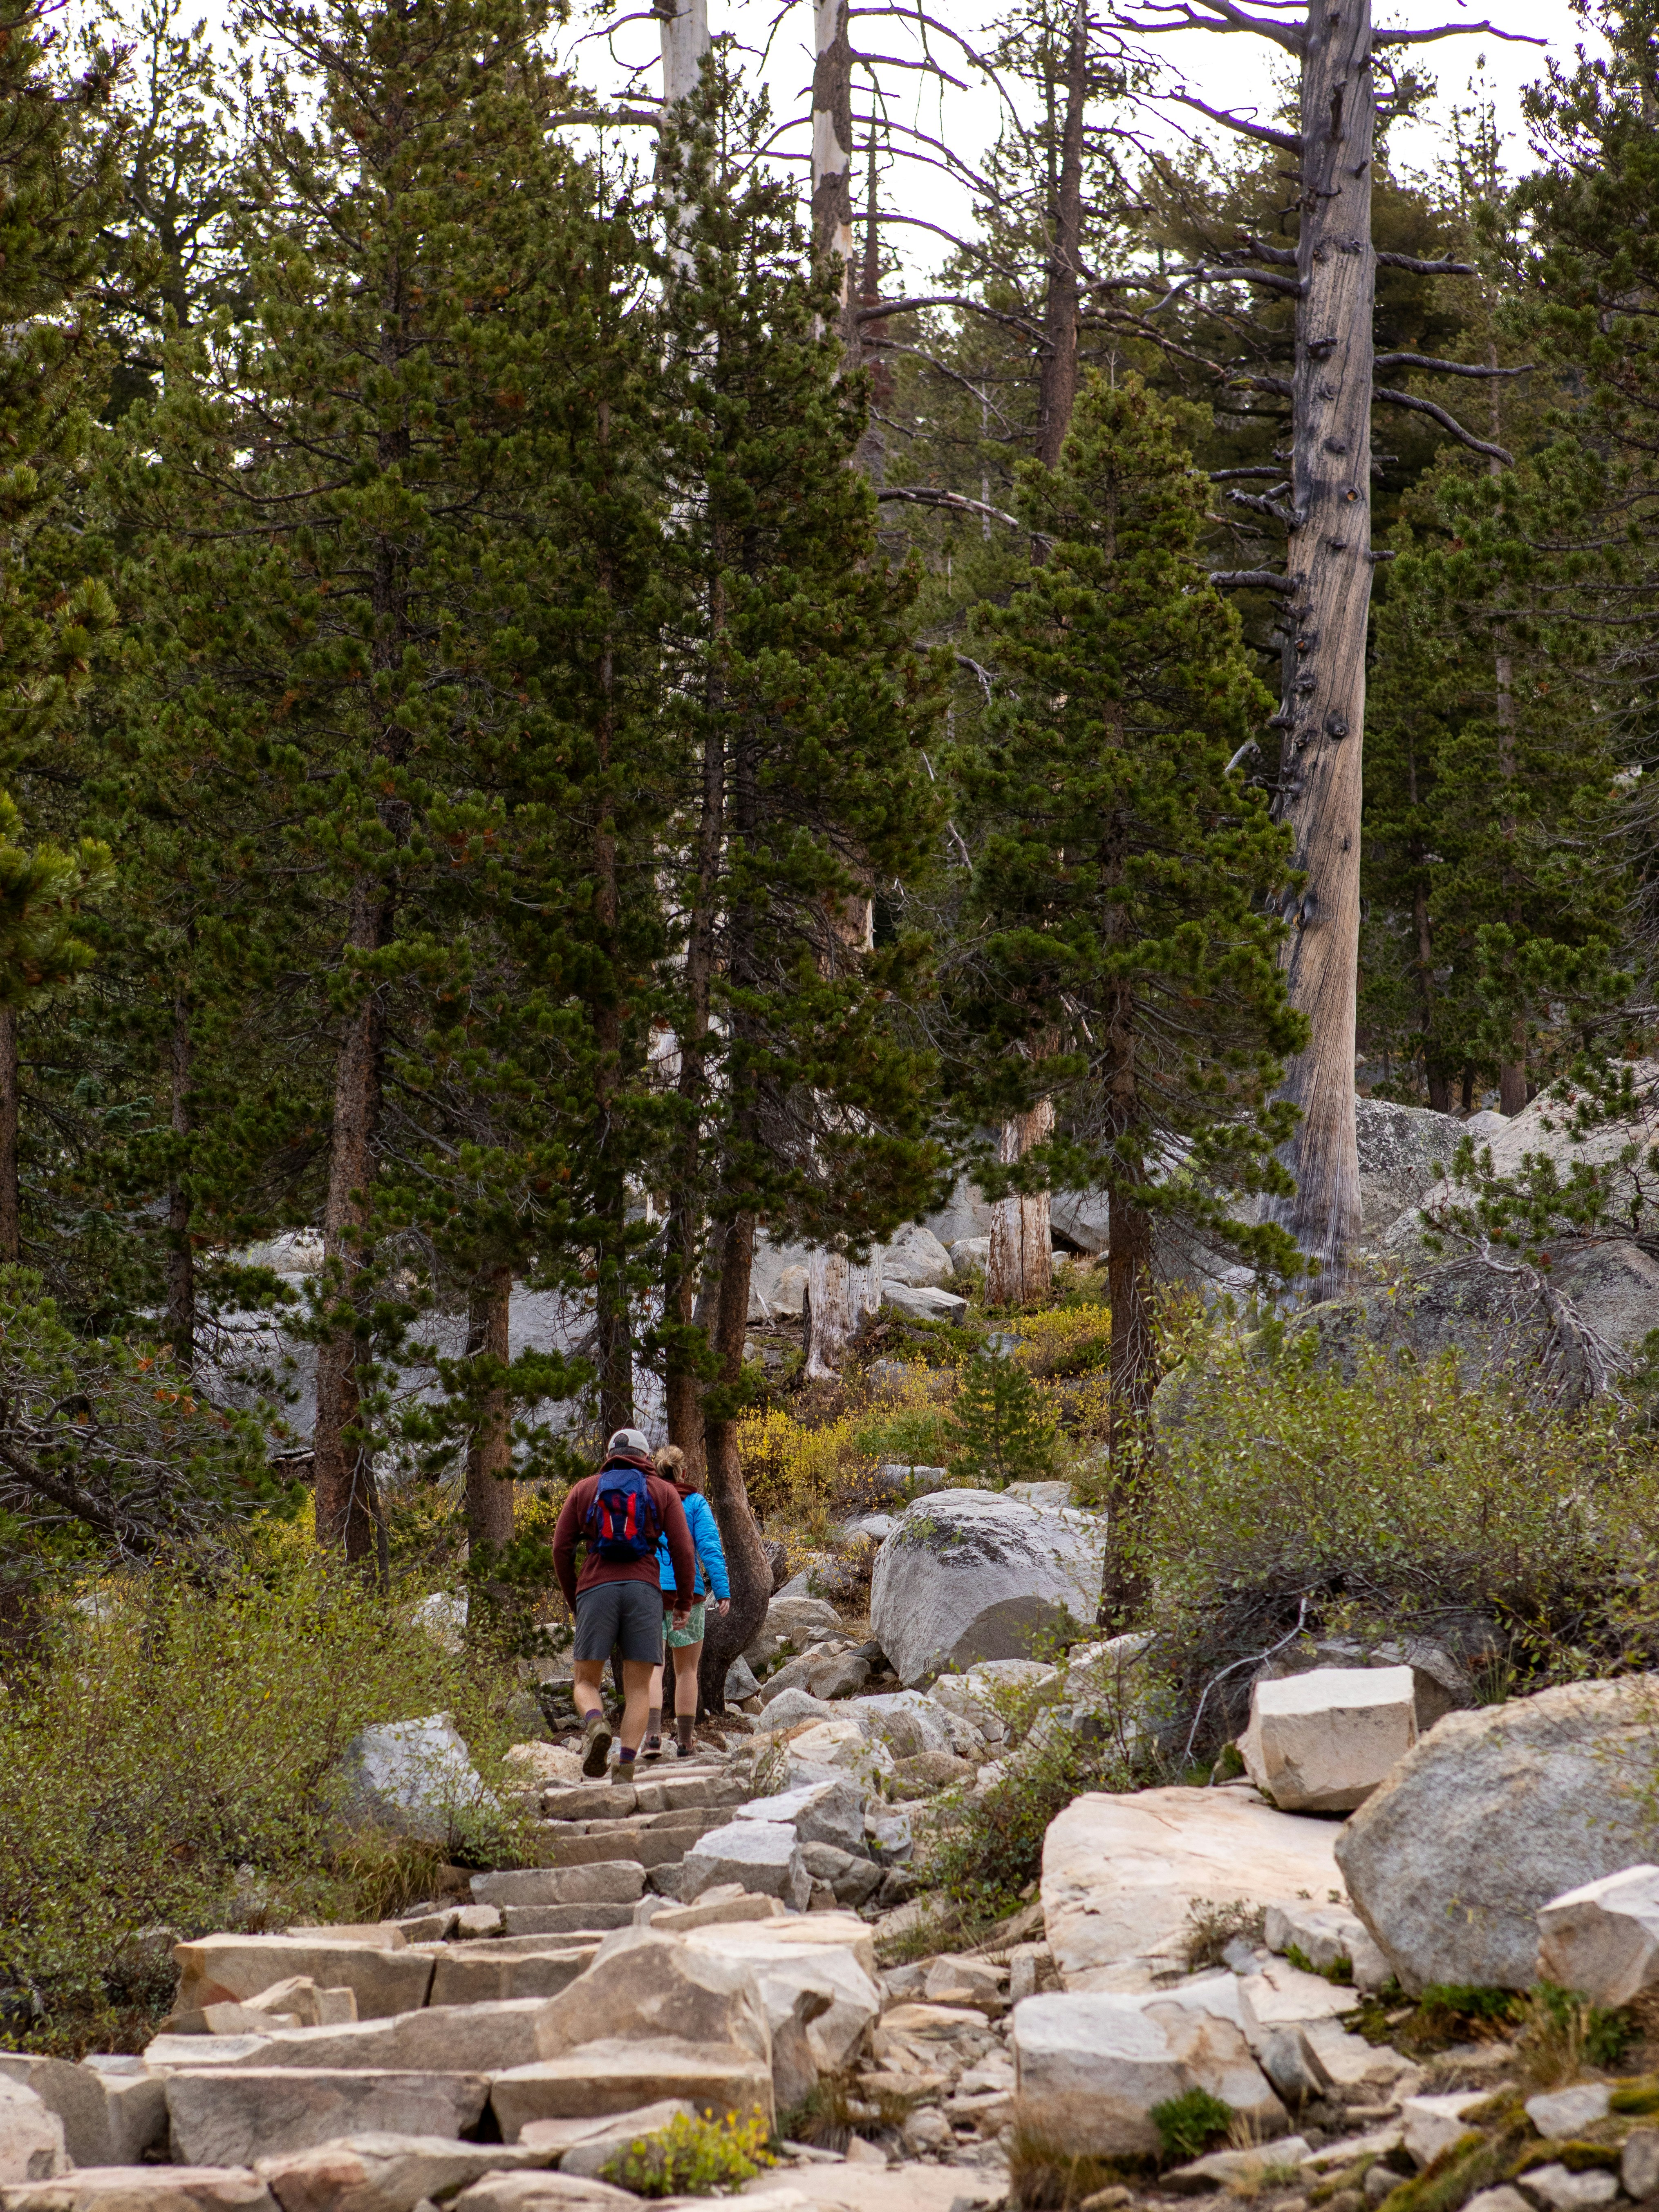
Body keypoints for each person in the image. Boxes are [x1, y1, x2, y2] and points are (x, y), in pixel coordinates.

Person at [552, 1427, 695, 1779]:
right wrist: (682, 1601)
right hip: (644, 1591)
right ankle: (626, 1765)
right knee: (637, 1689)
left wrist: (576, 1598)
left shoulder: (585, 1489)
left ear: (609, 1454)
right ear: (646, 1457)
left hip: (595, 1589)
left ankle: (597, 1724)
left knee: (585, 1682)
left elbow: (560, 1549)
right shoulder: (662, 1490)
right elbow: (683, 1548)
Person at [643, 1445, 730, 1760]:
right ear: (684, 1472)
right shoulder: (695, 1502)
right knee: (687, 1670)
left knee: (653, 1666)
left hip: (649, 1591)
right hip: (688, 1592)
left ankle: (652, 1735)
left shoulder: (647, 1501)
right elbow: (709, 1547)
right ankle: (685, 1742)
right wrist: (722, 1591)